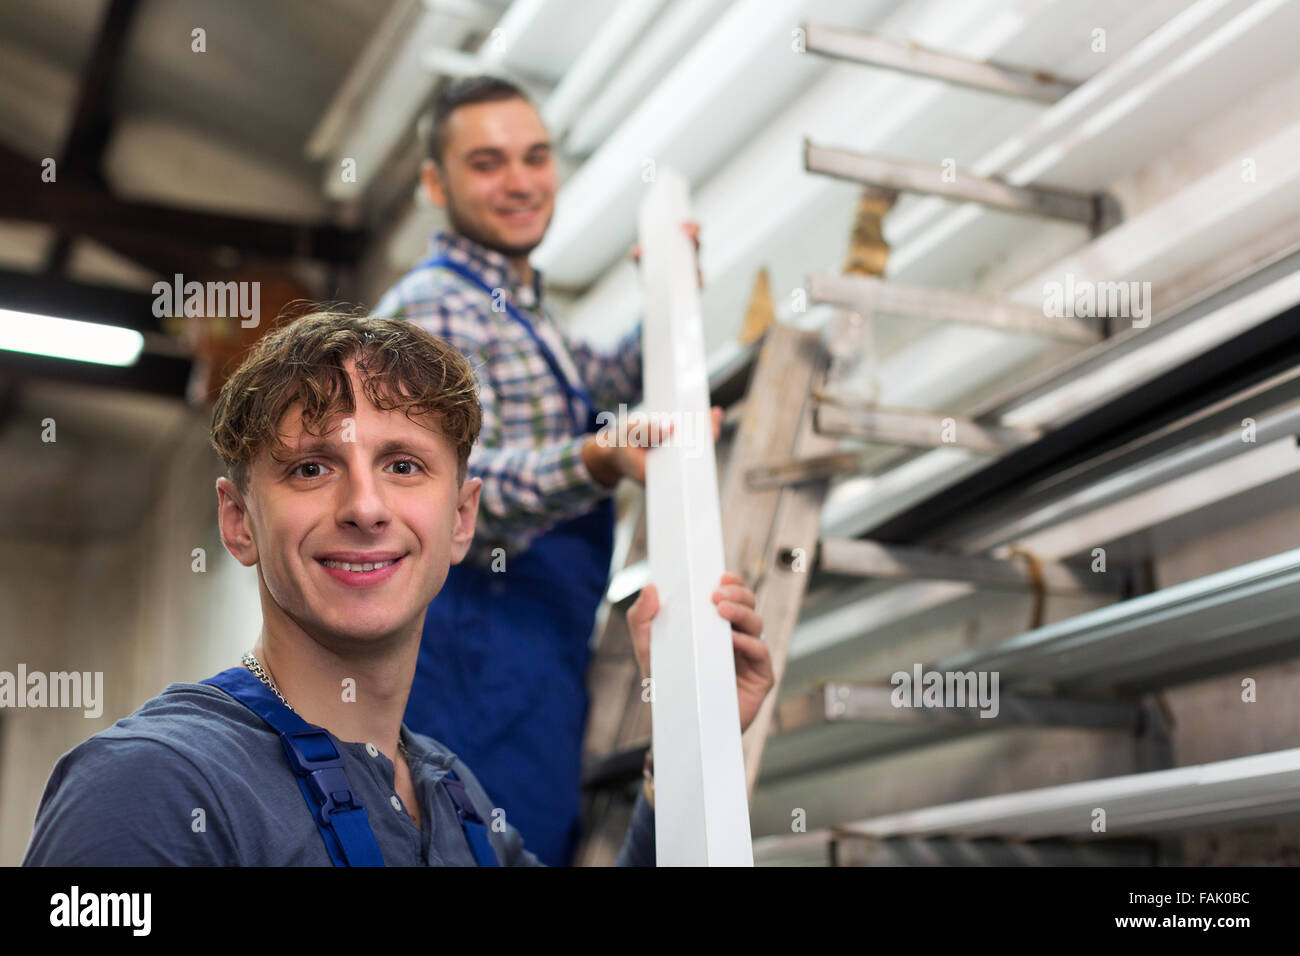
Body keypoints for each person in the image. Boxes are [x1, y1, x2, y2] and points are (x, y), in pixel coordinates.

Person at [22, 312, 772, 866]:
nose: (366, 507)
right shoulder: (150, 788)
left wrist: (682, 736)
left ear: (461, 519)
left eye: (404, 466)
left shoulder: (460, 806)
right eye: (311, 467)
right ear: (238, 520)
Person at [373, 75, 704, 864]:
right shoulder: (434, 307)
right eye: (487, 162)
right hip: (481, 638)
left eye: (535, 157)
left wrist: (671, 293)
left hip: (537, 646)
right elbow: (454, 489)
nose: (520, 182)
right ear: (435, 183)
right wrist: (599, 457)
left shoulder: (525, 313)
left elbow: (599, 382)